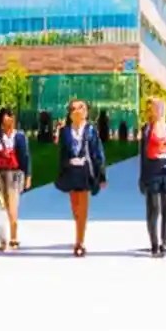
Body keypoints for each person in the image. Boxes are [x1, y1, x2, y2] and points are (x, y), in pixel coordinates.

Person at [56, 99, 105, 257]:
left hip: (85, 171)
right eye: (74, 109)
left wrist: (101, 174)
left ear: (86, 112)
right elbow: (62, 153)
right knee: (75, 207)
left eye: (80, 108)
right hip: (71, 171)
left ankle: (80, 242)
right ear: (70, 114)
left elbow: (97, 152)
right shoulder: (65, 131)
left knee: (83, 207)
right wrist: (62, 171)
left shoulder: (91, 130)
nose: (77, 111)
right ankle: (79, 228)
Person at [139, 98, 166, 257]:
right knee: (154, 208)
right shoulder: (147, 129)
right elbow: (143, 154)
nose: (151, 111)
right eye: (150, 109)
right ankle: (154, 243)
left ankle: (165, 241)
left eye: (153, 108)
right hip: (152, 171)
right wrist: (142, 177)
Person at [0, 108, 31, 252]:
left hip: (15, 174)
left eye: (12, 116)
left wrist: (28, 176)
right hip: (0, 174)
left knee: (12, 205)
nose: (10, 119)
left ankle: (14, 237)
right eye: (7, 117)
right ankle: (2, 240)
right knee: (2, 206)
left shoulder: (19, 136)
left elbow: (26, 157)